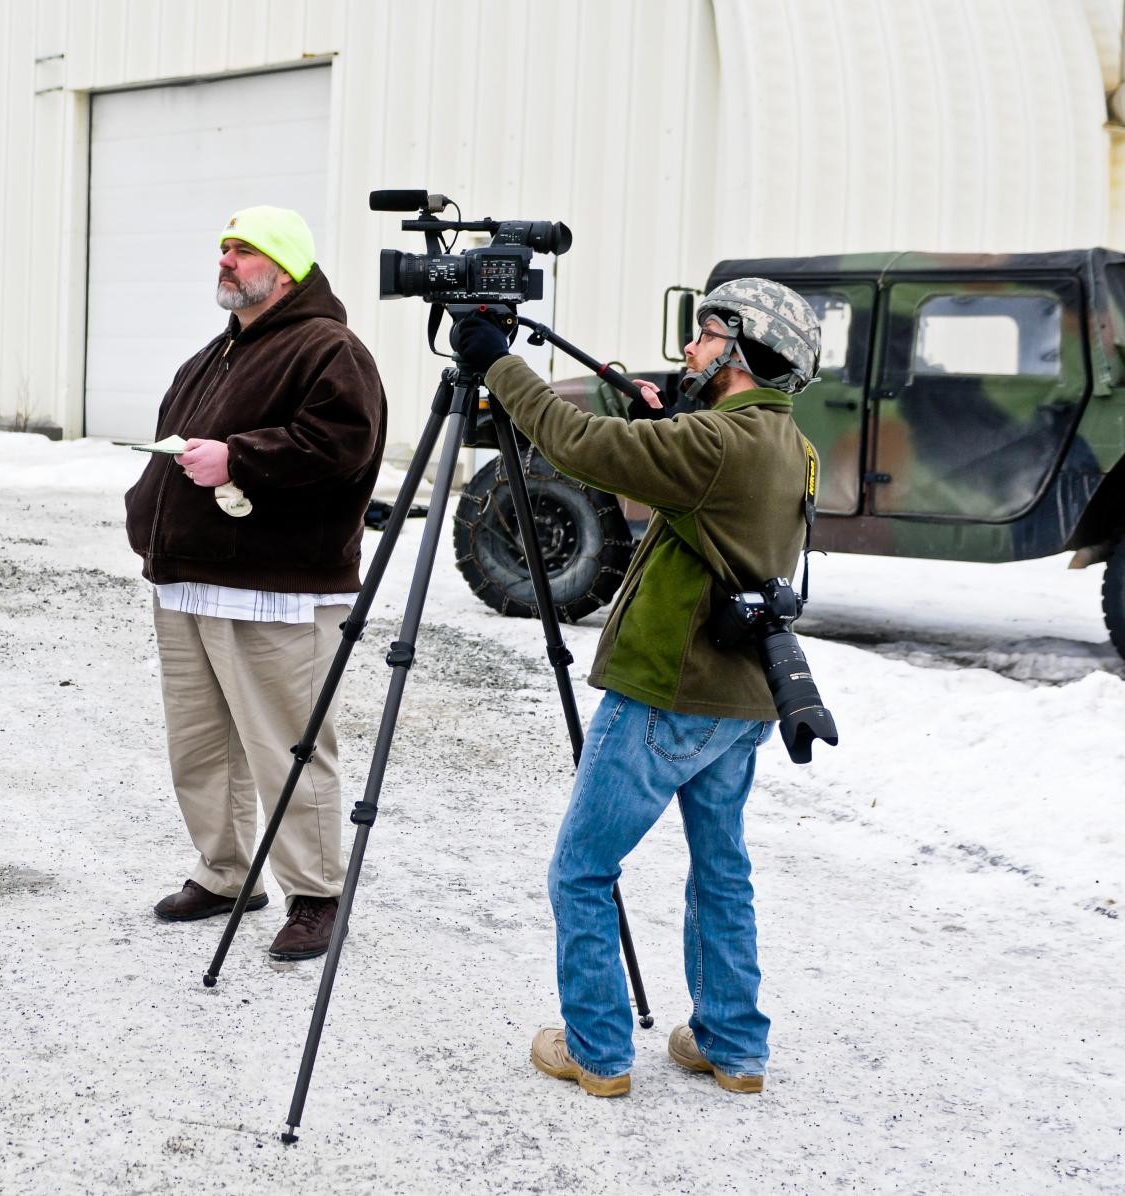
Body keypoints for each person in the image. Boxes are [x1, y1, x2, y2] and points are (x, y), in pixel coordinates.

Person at [449, 278, 823, 1097]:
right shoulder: (785, 443)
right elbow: (705, 498)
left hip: (667, 693)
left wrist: (499, 366)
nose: (691, 347)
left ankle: (599, 1053)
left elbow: (576, 443)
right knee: (721, 869)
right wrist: (668, 425)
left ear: (744, 350)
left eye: (706, 333)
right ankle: (733, 1047)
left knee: (581, 871)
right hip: (740, 700)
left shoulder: (716, 446)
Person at [125, 206, 387, 961]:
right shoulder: (218, 353)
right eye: (225, 249)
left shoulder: (329, 349)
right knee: (201, 747)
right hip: (188, 585)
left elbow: (341, 446)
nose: (227, 260)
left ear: (286, 270)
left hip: (278, 590)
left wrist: (240, 459)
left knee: (288, 746)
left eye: (244, 251)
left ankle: (316, 894)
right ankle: (226, 871)